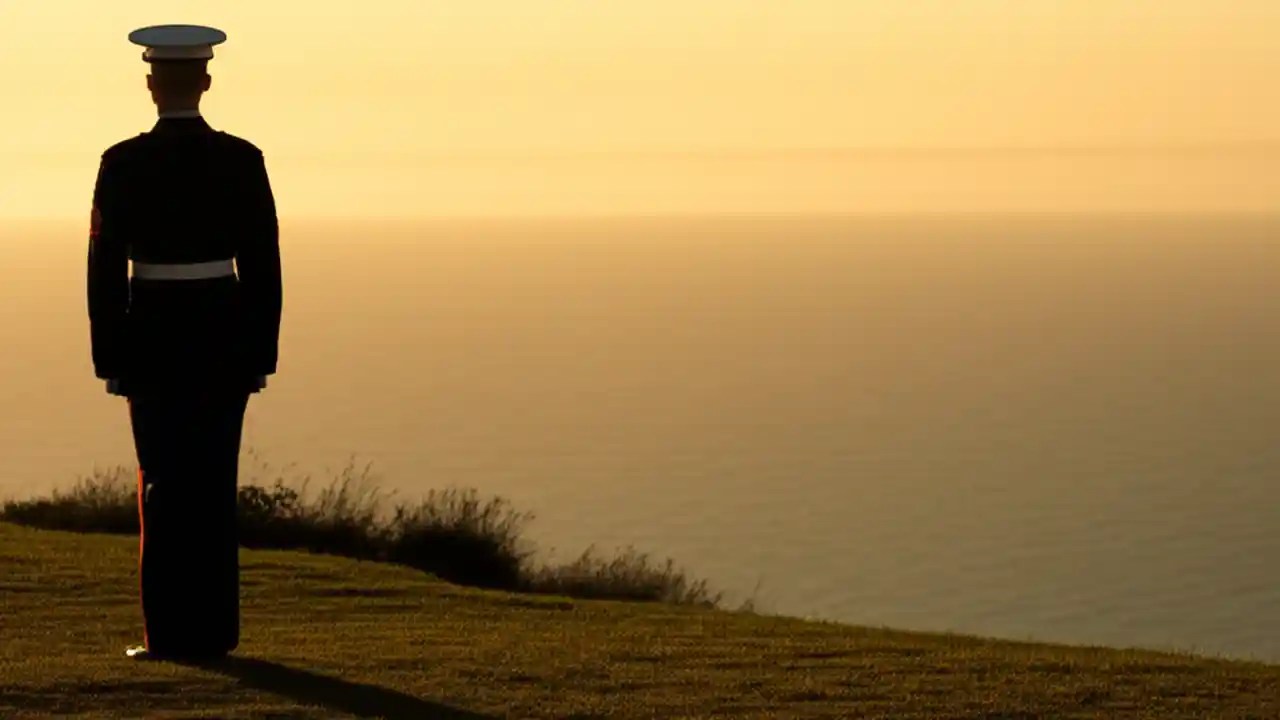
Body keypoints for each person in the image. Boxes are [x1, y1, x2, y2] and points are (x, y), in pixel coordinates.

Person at [86, 24, 282, 660]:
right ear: (204, 79)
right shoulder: (241, 159)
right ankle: (215, 634)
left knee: (162, 485)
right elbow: (263, 266)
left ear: (150, 84)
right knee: (212, 485)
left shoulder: (122, 163)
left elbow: (103, 268)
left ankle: (166, 635)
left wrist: (110, 356)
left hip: (150, 342)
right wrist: (258, 354)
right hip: (222, 339)